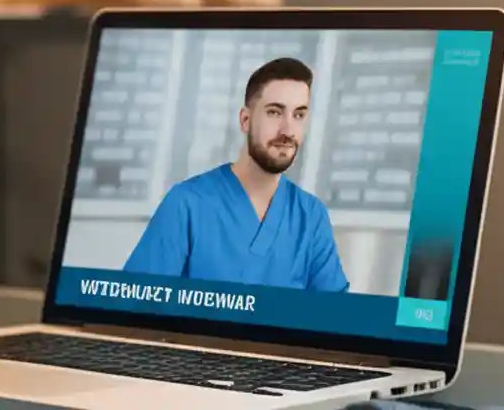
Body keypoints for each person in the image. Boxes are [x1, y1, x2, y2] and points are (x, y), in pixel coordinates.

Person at [123, 58, 349, 293]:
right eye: (274, 112)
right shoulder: (187, 203)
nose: (287, 130)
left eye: (299, 115)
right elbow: (134, 304)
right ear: (245, 120)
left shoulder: (311, 217)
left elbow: (334, 317)